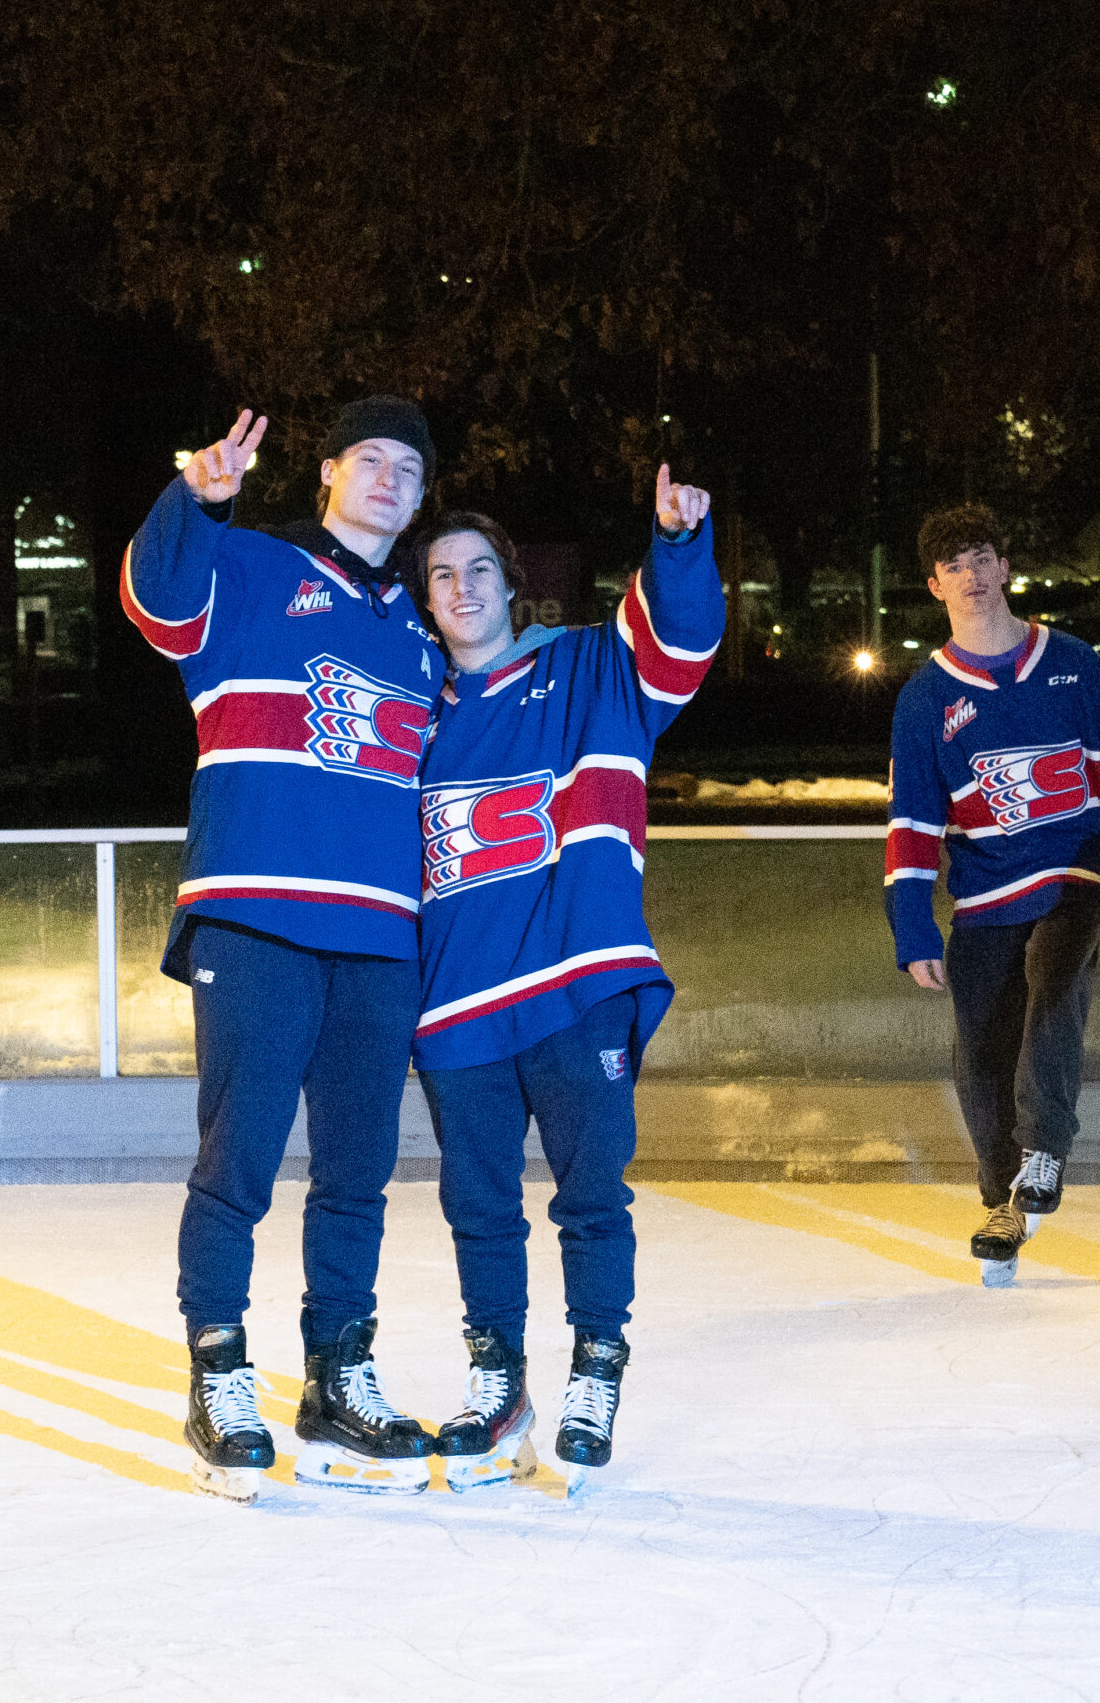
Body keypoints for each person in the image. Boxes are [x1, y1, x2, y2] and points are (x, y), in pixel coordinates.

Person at [121, 398, 448, 1499]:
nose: (391, 478)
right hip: (256, 914)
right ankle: (217, 1370)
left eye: (410, 466)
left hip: (380, 934)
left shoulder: (416, 627)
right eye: (371, 459)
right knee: (241, 1160)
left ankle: (336, 1374)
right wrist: (195, 498)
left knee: (357, 1172)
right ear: (324, 473)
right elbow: (158, 602)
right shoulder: (250, 567)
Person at [407, 465, 721, 1493]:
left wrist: (675, 544)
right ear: (428, 597)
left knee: (591, 1198)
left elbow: (679, 641)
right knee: (480, 1206)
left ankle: (595, 1364)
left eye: (479, 569)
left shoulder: (592, 671)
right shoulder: (409, 723)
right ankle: (496, 1380)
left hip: (578, 984)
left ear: (511, 584)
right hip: (455, 1009)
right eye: (442, 574)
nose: (462, 588)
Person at [884, 504, 1100, 1285]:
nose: (971, 575)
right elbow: (912, 821)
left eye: (982, 558)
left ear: (1004, 568)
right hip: (985, 891)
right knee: (979, 1048)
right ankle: (1003, 1196)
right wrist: (911, 926)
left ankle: (1044, 1153)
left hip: (1078, 866)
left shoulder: (1074, 661)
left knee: (1055, 974)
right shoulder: (924, 701)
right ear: (934, 585)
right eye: (953, 566)